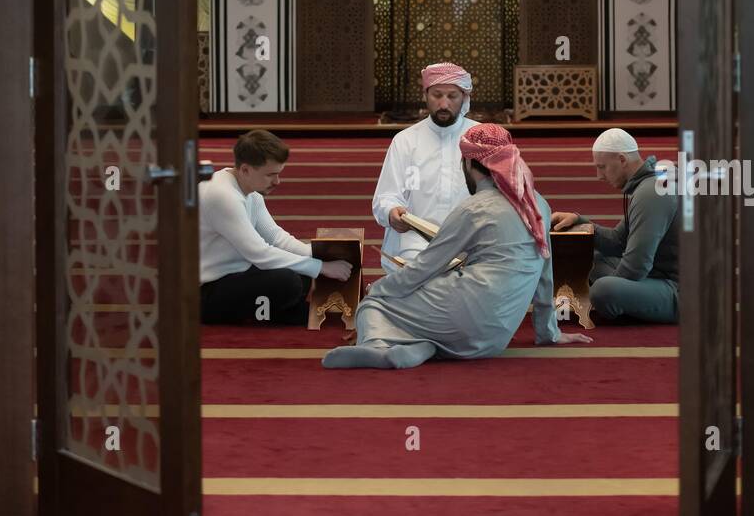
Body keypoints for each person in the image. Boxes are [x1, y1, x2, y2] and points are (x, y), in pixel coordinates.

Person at [324, 123, 592, 370]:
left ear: (469, 162)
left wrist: (379, 289)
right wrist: (549, 333)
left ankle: (377, 345)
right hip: (495, 339)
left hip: (463, 312)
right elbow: (545, 277)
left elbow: (426, 266)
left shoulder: (474, 208)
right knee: (428, 314)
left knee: (376, 303)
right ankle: (422, 348)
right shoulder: (538, 205)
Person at [199, 128, 352, 325]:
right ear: (245, 169)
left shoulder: (249, 188)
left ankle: (283, 310)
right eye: (270, 175)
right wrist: (321, 267)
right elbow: (261, 254)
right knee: (288, 282)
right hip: (207, 292)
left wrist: (318, 253)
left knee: (299, 273)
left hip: (237, 272)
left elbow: (276, 237)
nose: (277, 182)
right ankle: (285, 314)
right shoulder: (223, 196)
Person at [550, 127, 678, 324]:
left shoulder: (650, 193)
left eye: (602, 167)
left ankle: (618, 304)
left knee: (604, 290)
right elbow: (619, 242)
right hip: (657, 274)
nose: (599, 176)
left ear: (622, 160)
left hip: (677, 289)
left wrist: (592, 295)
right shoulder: (647, 185)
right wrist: (580, 222)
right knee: (591, 260)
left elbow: (636, 266)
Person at [372, 61, 479, 273]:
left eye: (452, 96)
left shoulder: (481, 138)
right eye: (437, 95)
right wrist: (392, 213)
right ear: (425, 95)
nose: (443, 104)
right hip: (416, 245)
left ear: (464, 98)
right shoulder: (405, 141)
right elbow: (385, 197)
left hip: (471, 244)